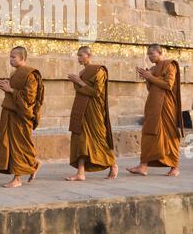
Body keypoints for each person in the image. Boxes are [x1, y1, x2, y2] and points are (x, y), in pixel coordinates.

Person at [127, 44, 183, 177]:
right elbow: (151, 89)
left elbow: (168, 85)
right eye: (148, 54)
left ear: (160, 52)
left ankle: (174, 167)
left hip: (166, 106)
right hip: (153, 105)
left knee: (169, 135)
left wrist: (150, 77)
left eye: (152, 54)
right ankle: (143, 166)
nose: (150, 56)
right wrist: (147, 77)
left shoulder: (170, 65)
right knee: (148, 133)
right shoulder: (152, 68)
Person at [0, 46, 44, 188]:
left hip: (20, 115)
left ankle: (17, 179)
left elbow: (29, 98)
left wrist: (10, 90)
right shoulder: (15, 73)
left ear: (22, 58)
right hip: (10, 113)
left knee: (20, 145)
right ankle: (33, 164)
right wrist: (7, 88)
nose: (10, 59)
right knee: (11, 144)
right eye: (10, 57)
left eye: (13, 57)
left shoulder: (30, 74)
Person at [65, 46, 118, 181]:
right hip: (81, 109)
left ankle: (112, 164)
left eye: (81, 55)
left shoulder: (98, 70)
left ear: (89, 55)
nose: (78, 58)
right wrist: (77, 82)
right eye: (77, 55)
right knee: (81, 140)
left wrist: (79, 82)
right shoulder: (82, 72)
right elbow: (80, 90)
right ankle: (81, 172)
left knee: (99, 138)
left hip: (94, 110)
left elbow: (96, 93)